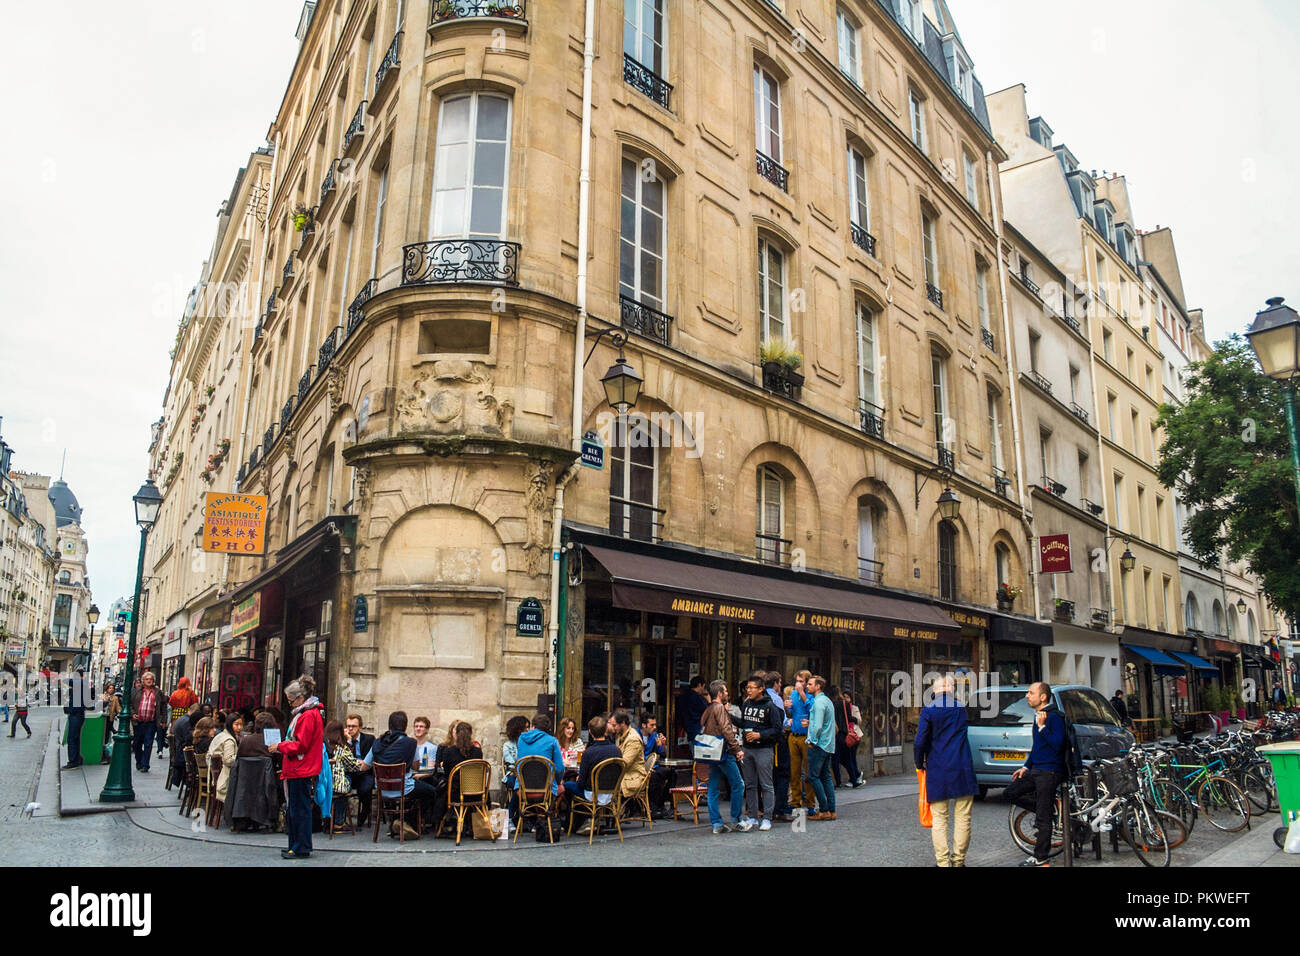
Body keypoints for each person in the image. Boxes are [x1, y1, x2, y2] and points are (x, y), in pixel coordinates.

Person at [914, 676, 978, 867]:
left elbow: (919, 742)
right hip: (962, 766)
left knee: (940, 818)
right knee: (963, 816)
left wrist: (919, 764)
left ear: (934, 691)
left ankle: (943, 863)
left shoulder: (929, 710)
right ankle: (958, 861)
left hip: (938, 768)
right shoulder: (961, 708)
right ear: (951, 688)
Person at [1002, 682, 1067, 867]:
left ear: (1043, 697)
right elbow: (1037, 747)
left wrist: (1042, 727)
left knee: (1042, 818)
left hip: (1050, 771)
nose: (1027, 696)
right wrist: (1025, 766)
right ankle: (1047, 810)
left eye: (1031, 693)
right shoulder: (1039, 716)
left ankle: (1041, 858)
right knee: (1010, 793)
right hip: (1036, 769)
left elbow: (1058, 744)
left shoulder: (1054, 717)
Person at [267, 676, 325, 860]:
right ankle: (295, 845)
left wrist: (280, 746)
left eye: (291, 700)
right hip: (299, 767)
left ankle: (300, 847)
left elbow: (301, 745)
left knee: (299, 809)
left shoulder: (308, 715)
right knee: (296, 808)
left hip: (301, 768)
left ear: (300, 698)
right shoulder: (307, 713)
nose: (290, 704)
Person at [701, 680, 753, 834]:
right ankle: (736, 820)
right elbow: (726, 729)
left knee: (713, 788)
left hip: (711, 752)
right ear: (719, 694)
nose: (727, 694)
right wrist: (737, 748)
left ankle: (717, 824)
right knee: (738, 784)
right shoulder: (719, 708)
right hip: (724, 752)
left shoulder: (708, 709)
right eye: (725, 692)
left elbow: (702, 725)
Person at [736, 675, 783, 829]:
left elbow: (777, 729)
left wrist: (760, 735)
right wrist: (729, 717)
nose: (748, 691)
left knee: (766, 784)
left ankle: (767, 817)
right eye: (747, 688)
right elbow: (744, 722)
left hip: (764, 749)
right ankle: (752, 816)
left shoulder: (770, 706)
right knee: (749, 784)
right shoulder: (746, 704)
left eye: (751, 688)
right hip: (748, 748)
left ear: (761, 689)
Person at [564, 716, 622, 832]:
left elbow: (581, 784)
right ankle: (586, 820)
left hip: (592, 794)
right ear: (605, 730)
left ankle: (573, 823)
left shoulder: (589, 753)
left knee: (567, 786)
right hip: (611, 794)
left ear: (590, 732)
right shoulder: (616, 750)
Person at [805, 675, 837, 821]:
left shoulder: (818, 703)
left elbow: (818, 725)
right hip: (828, 744)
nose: (807, 686)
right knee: (826, 776)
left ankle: (824, 809)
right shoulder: (827, 701)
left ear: (818, 686)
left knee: (813, 776)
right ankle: (831, 809)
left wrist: (812, 740)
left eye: (810, 684)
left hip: (819, 744)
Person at [324, 719, 363, 829]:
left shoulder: (321, 747)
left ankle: (327, 821)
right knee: (345, 783)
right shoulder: (340, 749)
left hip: (322, 784)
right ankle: (339, 822)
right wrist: (349, 742)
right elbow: (354, 766)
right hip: (336, 786)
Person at [765, 671, 793, 822]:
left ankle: (763, 808)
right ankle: (779, 809)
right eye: (780, 683)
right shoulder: (776, 699)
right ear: (776, 683)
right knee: (783, 774)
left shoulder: (759, 697)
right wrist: (791, 722)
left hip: (763, 741)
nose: (780, 686)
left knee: (767, 776)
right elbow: (781, 723)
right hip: (777, 740)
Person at [787, 671, 815, 812]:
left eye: (801, 681)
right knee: (795, 772)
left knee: (808, 772)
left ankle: (810, 803)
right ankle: (796, 802)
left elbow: (811, 708)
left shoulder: (810, 696)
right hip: (794, 734)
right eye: (797, 680)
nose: (798, 683)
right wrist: (788, 705)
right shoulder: (793, 694)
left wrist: (802, 694)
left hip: (806, 737)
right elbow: (792, 711)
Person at [129, 671, 168, 773]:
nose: (149, 681)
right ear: (143, 681)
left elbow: (164, 707)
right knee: (137, 744)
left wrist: (163, 720)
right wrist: (132, 714)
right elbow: (130, 705)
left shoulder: (158, 692)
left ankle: (145, 764)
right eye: (147, 679)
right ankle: (139, 760)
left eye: (150, 679)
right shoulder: (136, 692)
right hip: (139, 722)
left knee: (148, 743)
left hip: (151, 722)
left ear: (153, 681)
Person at [610, 709, 649, 810]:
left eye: (614, 725)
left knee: (603, 785)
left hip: (633, 778)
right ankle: (608, 815)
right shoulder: (620, 735)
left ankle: (609, 816)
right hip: (624, 775)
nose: (613, 728)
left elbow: (624, 763)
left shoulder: (633, 739)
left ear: (622, 723)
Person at [516, 713, 563, 796]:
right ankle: (549, 808)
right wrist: (559, 781)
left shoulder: (521, 739)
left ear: (533, 726)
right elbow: (559, 769)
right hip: (545, 790)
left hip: (522, 789)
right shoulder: (552, 741)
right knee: (562, 788)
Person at [342, 713, 375, 826]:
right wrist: (349, 741)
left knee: (365, 789)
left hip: (365, 772)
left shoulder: (369, 739)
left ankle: (365, 812)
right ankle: (340, 819)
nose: (350, 729)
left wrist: (365, 763)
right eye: (348, 726)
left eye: (353, 726)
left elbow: (373, 758)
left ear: (360, 727)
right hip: (349, 773)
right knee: (339, 788)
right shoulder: (344, 740)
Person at [638, 712, 671, 816]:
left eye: (655, 725)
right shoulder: (636, 735)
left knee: (671, 773)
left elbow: (662, 754)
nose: (655, 727)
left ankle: (664, 804)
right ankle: (653, 807)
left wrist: (663, 744)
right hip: (640, 768)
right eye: (652, 725)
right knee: (655, 777)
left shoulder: (654, 736)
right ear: (644, 725)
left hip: (653, 766)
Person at [209, 712, 244, 806]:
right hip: (224, 778)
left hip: (215, 775)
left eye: (241, 724)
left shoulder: (221, 735)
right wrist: (242, 756)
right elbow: (228, 760)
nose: (239, 728)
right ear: (230, 724)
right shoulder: (229, 740)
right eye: (236, 724)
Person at [836, 689, 864, 788]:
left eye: (848, 697)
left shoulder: (854, 708)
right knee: (847, 758)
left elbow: (859, 720)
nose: (846, 699)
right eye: (844, 697)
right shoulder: (840, 707)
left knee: (851, 757)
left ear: (851, 698)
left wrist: (850, 717)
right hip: (845, 735)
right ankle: (855, 775)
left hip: (854, 735)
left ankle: (855, 776)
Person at [63, 670, 88, 769]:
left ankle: (73, 761)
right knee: (75, 738)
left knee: (72, 738)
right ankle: (77, 758)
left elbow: (66, 680)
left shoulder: (81, 684)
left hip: (76, 715)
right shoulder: (80, 686)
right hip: (77, 714)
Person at [502, 715, 531, 791]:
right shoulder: (507, 745)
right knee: (516, 782)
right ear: (518, 729)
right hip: (514, 774)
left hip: (528, 774)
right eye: (526, 728)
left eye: (529, 727)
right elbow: (511, 765)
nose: (528, 730)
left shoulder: (530, 744)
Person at [679, 676, 709, 743]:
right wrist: (709, 701)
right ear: (699, 685)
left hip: (688, 729)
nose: (703, 690)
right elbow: (708, 712)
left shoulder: (684, 696)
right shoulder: (697, 698)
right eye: (703, 687)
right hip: (697, 730)